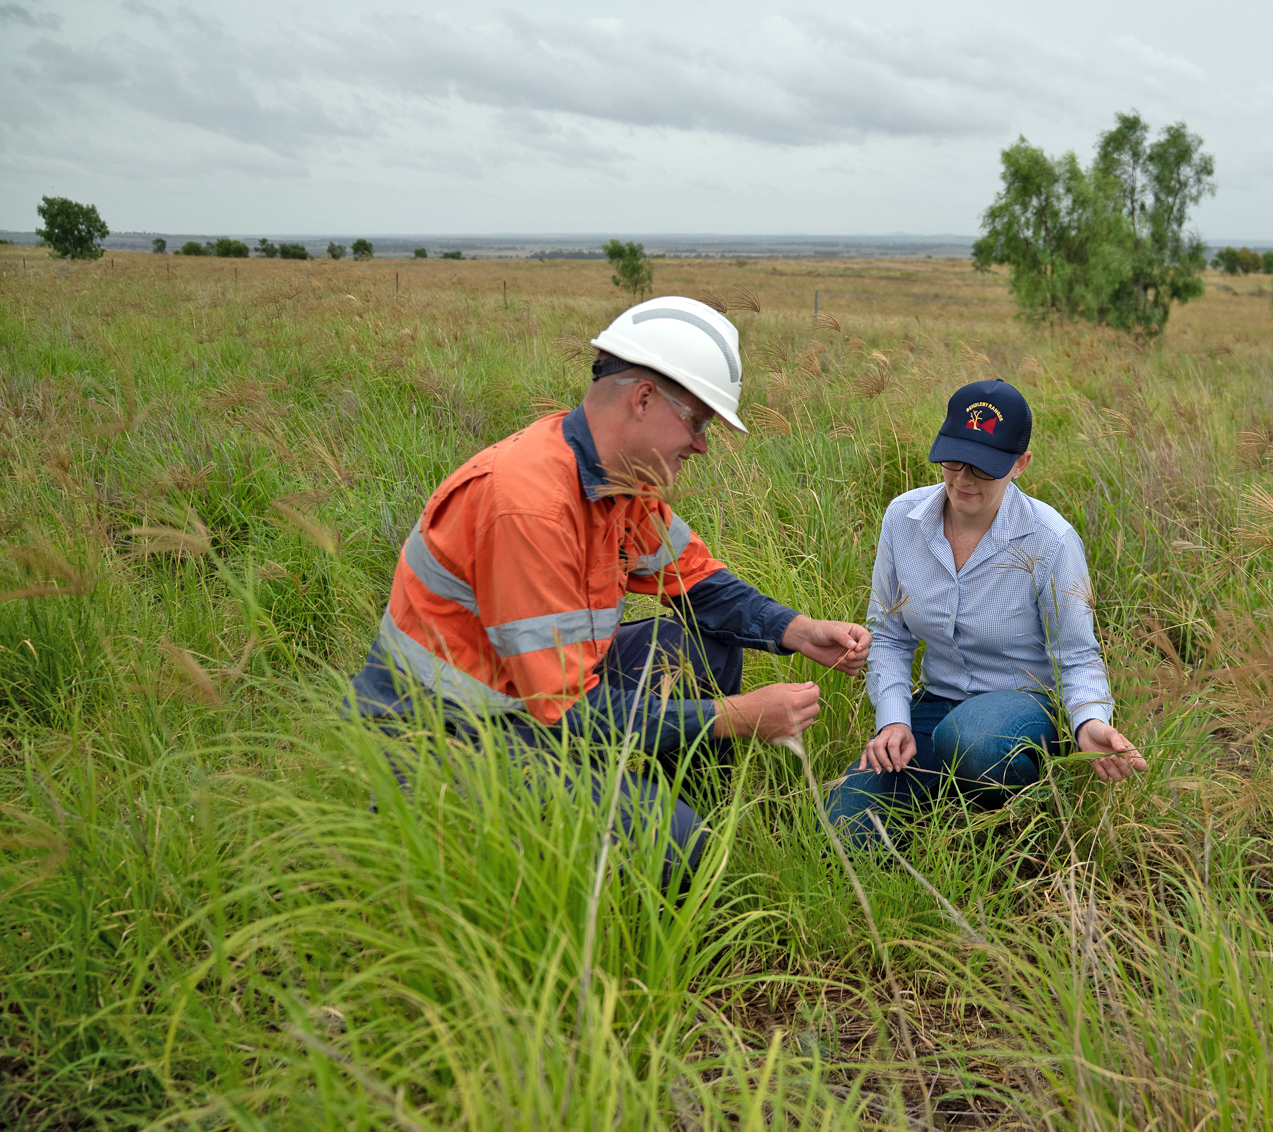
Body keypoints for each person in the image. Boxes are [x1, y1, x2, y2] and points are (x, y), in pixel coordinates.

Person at [349, 295, 872, 883]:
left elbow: (700, 584)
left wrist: (797, 632)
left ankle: (647, 803)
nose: (701, 444)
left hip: (524, 704)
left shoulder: (618, 482)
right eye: (697, 422)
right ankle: (655, 839)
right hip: (444, 741)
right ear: (643, 398)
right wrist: (736, 717)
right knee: (673, 840)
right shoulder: (529, 505)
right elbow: (566, 710)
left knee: (707, 644)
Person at [824, 379, 1145, 846]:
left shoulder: (1051, 540)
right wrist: (894, 719)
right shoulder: (903, 519)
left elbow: (1077, 655)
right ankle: (943, 794)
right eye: (953, 460)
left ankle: (1010, 816)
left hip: (1021, 711)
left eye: (985, 466)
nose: (963, 479)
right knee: (843, 830)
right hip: (935, 708)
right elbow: (890, 636)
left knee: (974, 739)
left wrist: (1088, 721)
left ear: (1019, 464)